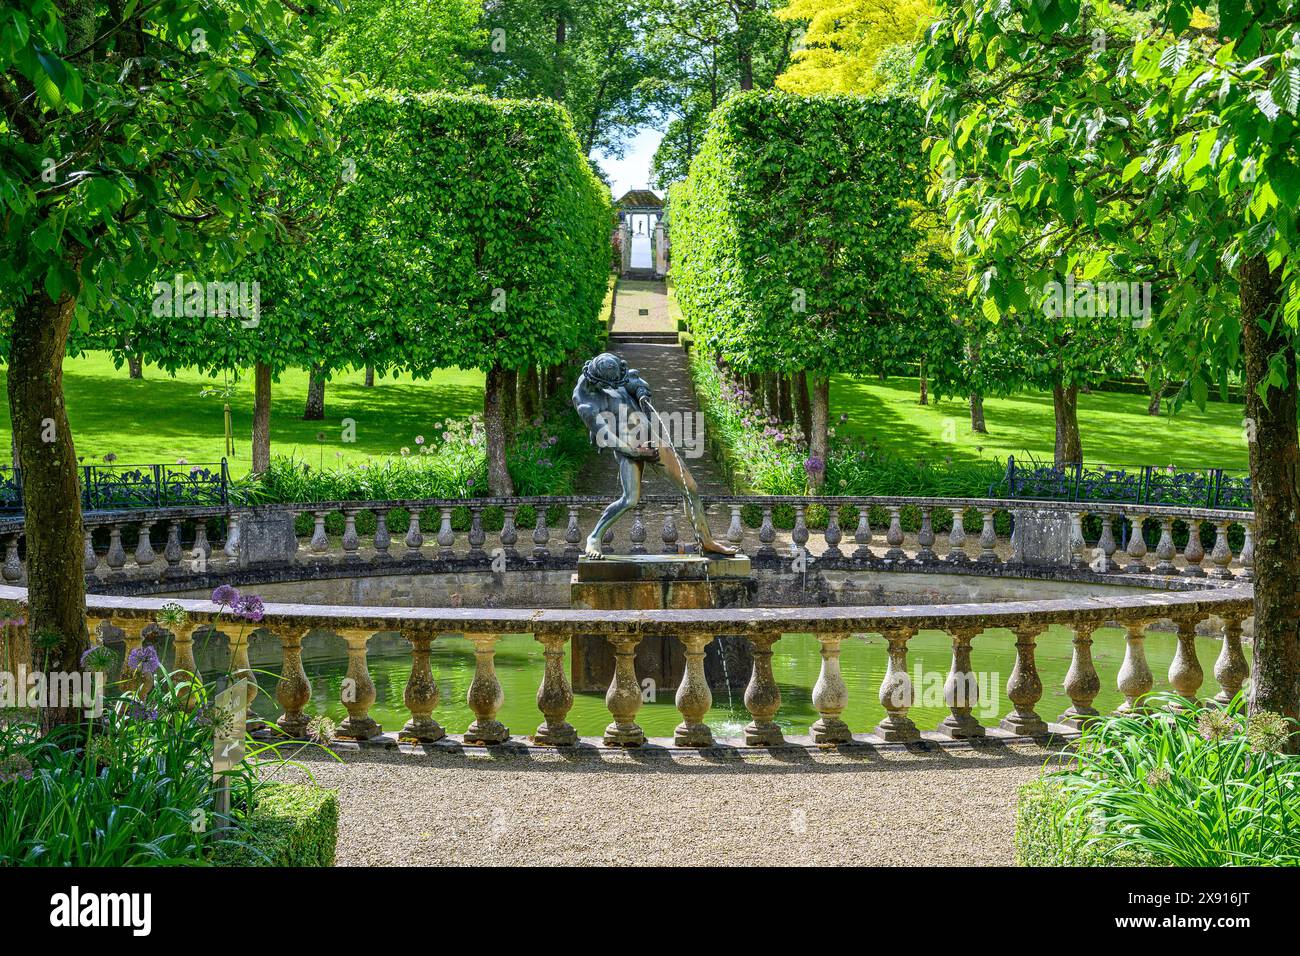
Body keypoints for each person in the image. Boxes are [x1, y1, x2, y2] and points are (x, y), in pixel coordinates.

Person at [572, 352, 738, 558]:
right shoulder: (587, 404)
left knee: (692, 488)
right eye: (611, 385)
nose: (616, 387)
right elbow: (607, 439)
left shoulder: (615, 374)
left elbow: (635, 380)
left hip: (651, 439)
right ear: (596, 380)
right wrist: (635, 451)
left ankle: (706, 541)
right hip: (628, 447)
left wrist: (642, 393)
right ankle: (594, 538)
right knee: (630, 499)